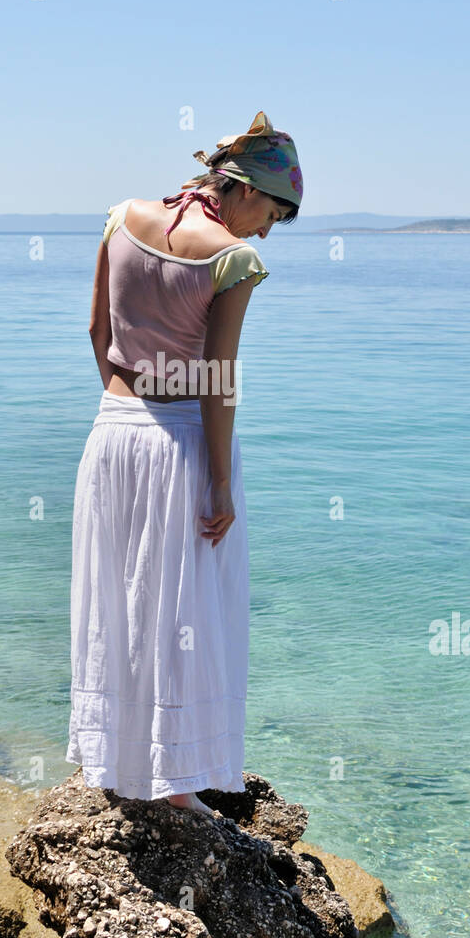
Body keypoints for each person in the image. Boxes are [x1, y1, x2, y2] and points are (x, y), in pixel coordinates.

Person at [66, 111, 303, 813]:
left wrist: (121, 406)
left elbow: (95, 329)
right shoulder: (231, 260)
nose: (264, 230)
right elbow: (216, 376)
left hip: (110, 429)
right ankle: (173, 786)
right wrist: (221, 483)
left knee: (115, 597)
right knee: (183, 608)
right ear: (242, 189)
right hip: (179, 444)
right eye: (272, 212)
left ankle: (107, 763)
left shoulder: (121, 218)